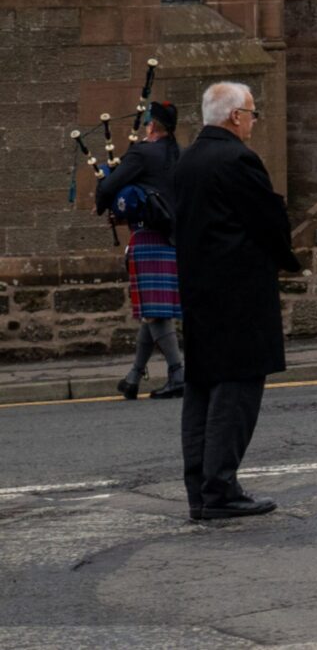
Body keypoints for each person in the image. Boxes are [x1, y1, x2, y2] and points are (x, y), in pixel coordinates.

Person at [171, 83, 301, 522]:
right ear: (234, 117)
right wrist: (287, 259)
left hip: (198, 291)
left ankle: (200, 491)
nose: (254, 119)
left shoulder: (187, 159)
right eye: (252, 112)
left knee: (202, 388)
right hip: (240, 293)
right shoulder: (238, 159)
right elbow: (267, 220)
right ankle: (221, 488)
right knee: (237, 390)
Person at [95, 101, 183, 401]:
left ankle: (177, 372)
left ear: (150, 126)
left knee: (155, 312)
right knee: (153, 309)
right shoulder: (179, 154)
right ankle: (133, 376)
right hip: (175, 238)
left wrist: (104, 192)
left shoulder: (143, 153)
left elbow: (109, 188)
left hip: (148, 237)